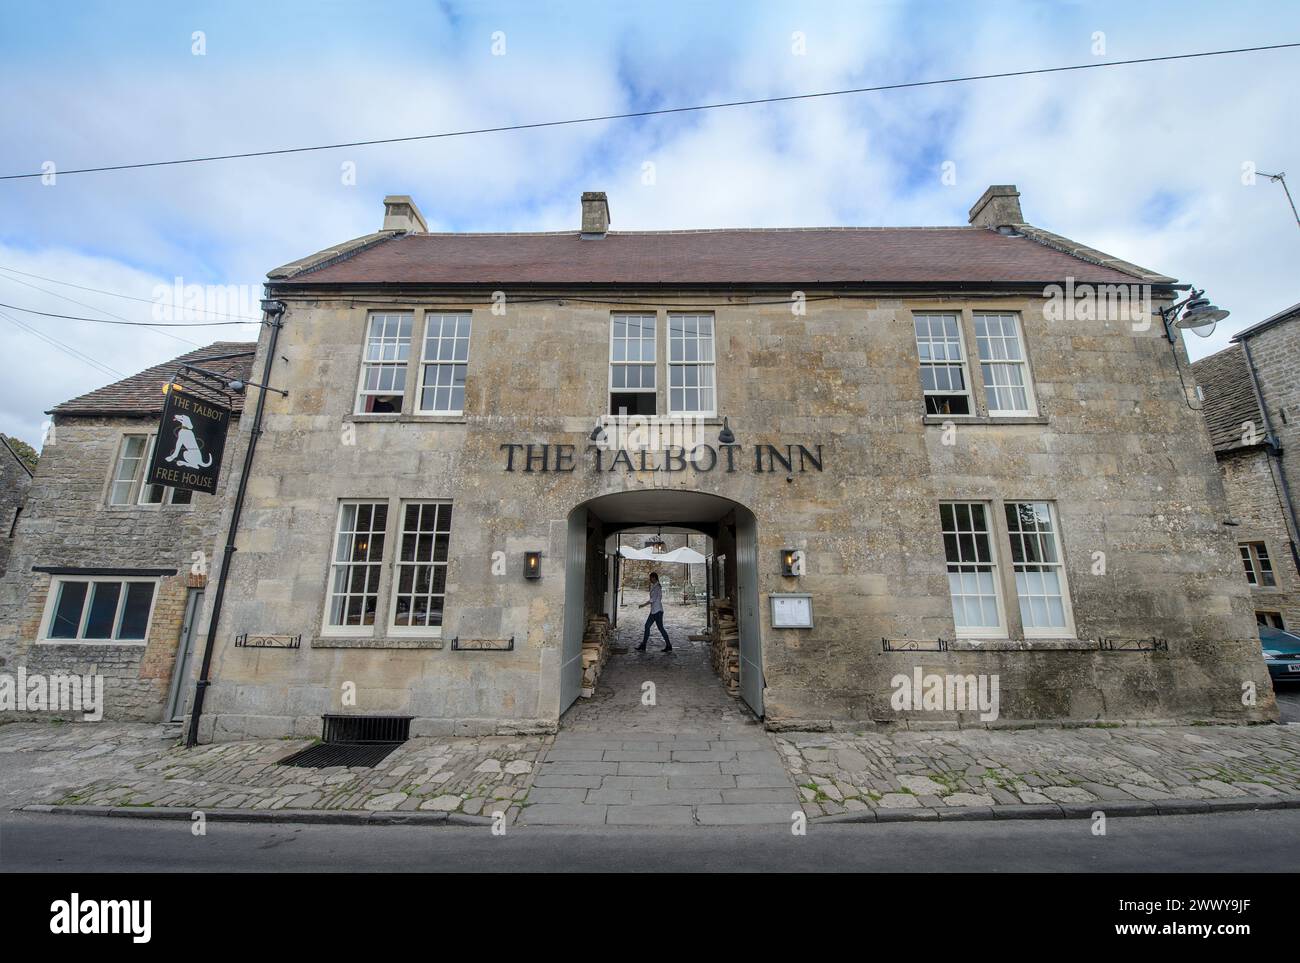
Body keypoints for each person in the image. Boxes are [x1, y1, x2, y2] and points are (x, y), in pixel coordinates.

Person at [636, 571, 671, 652]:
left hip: (658, 611)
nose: (650, 579)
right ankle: (643, 645)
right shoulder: (654, 586)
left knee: (661, 628)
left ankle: (669, 645)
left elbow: (653, 599)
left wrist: (643, 605)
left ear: (654, 578)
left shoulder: (657, 587)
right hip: (653, 611)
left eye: (651, 578)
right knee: (647, 626)